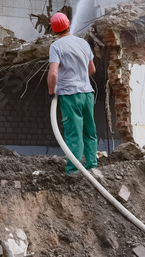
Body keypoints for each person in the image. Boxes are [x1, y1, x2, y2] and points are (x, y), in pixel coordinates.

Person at [46, 12, 98, 174]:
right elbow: (92, 69)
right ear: (68, 25)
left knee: (74, 132)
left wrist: (51, 91)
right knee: (90, 131)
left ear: (54, 31)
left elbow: (53, 73)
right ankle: (91, 165)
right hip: (87, 94)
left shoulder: (56, 46)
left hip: (70, 95)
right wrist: (80, 77)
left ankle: (73, 170)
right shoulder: (83, 43)